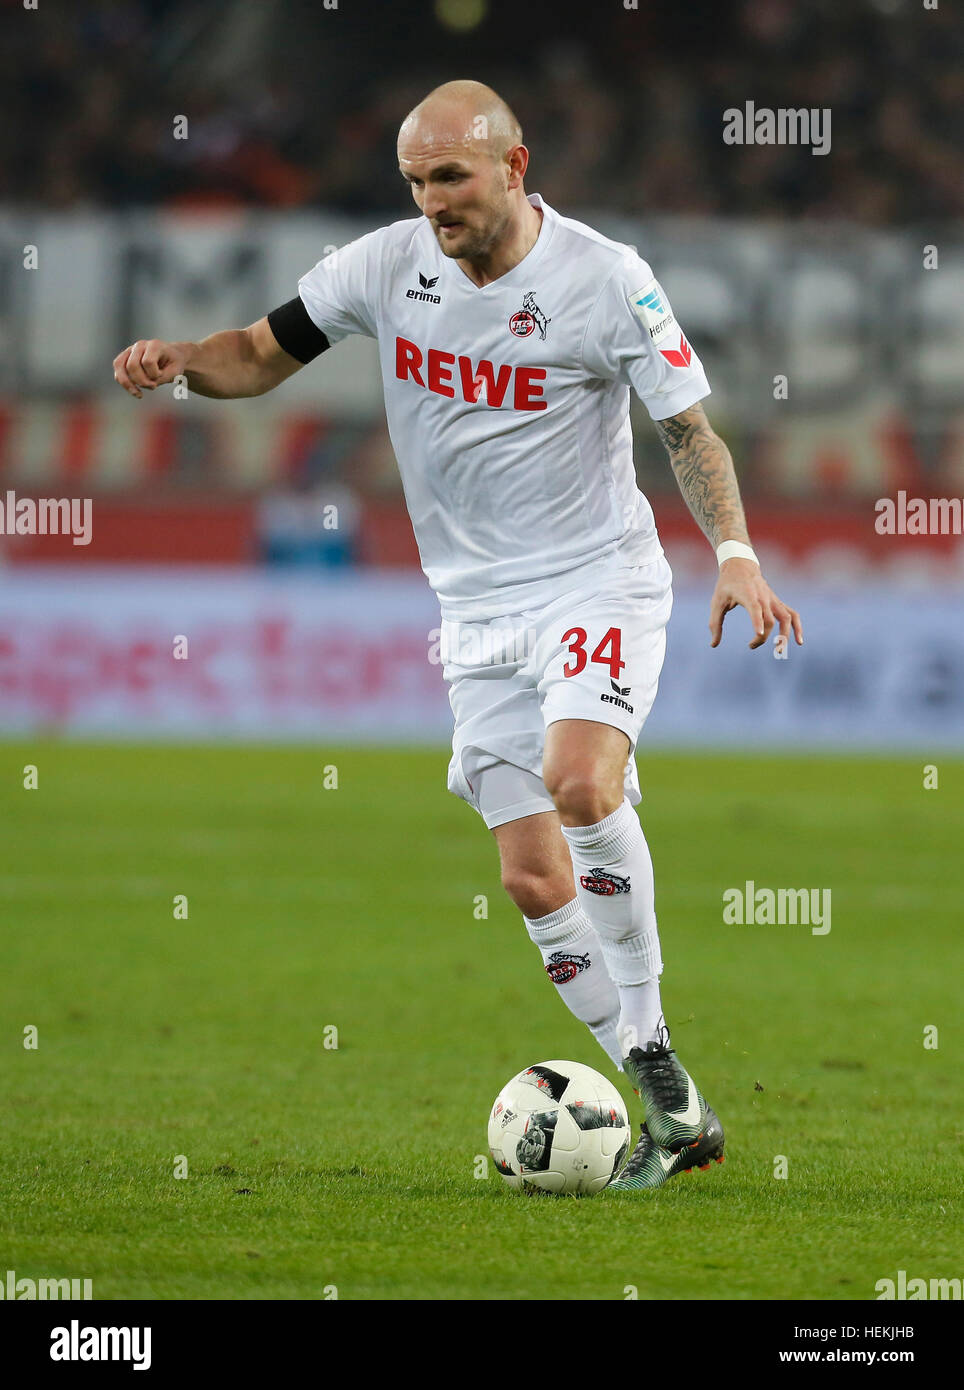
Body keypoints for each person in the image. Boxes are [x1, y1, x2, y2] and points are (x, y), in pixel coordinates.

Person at [112, 79, 802, 1191]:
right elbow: (255, 350)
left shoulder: (605, 279)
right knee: (534, 881)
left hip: (595, 582)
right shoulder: (384, 268)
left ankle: (653, 1045)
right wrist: (182, 360)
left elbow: (689, 434)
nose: (432, 200)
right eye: (416, 181)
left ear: (515, 166)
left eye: (452, 176)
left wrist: (734, 554)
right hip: (474, 613)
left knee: (580, 786)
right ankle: (671, 1107)